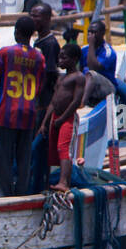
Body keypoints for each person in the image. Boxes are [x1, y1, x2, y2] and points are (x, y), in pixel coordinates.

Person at [0, 14, 46, 197]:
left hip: (7, 113)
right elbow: (39, 86)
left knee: (3, 158)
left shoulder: (7, 53)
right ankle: (23, 193)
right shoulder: (39, 58)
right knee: (24, 157)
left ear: (16, 32)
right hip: (29, 113)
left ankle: (5, 196)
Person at [39, 43, 86, 192]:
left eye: (64, 57)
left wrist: (62, 119)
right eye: (59, 57)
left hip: (68, 118)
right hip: (56, 117)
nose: (60, 60)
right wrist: (45, 122)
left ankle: (64, 183)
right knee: (52, 150)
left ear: (74, 59)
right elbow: (53, 102)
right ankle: (51, 182)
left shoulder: (79, 77)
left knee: (63, 148)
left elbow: (76, 101)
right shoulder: (61, 78)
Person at [81, 19, 126, 123]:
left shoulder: (108, 52)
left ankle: (82, 103)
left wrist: (91, 46)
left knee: (91, 74)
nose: (91, 35)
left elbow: (93, 67)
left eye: (94, 32)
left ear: (102, 33)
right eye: (89, 32)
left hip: (107, 87)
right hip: (89, 85)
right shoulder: (84, 50)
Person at [30, 2, 61, 119]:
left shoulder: (50, 44)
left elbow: (49, 73)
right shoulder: (39, 41)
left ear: (47, 19)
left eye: (36, 16)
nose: (32, 19)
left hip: (44, 99)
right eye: (31, 16)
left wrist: (38, 96)